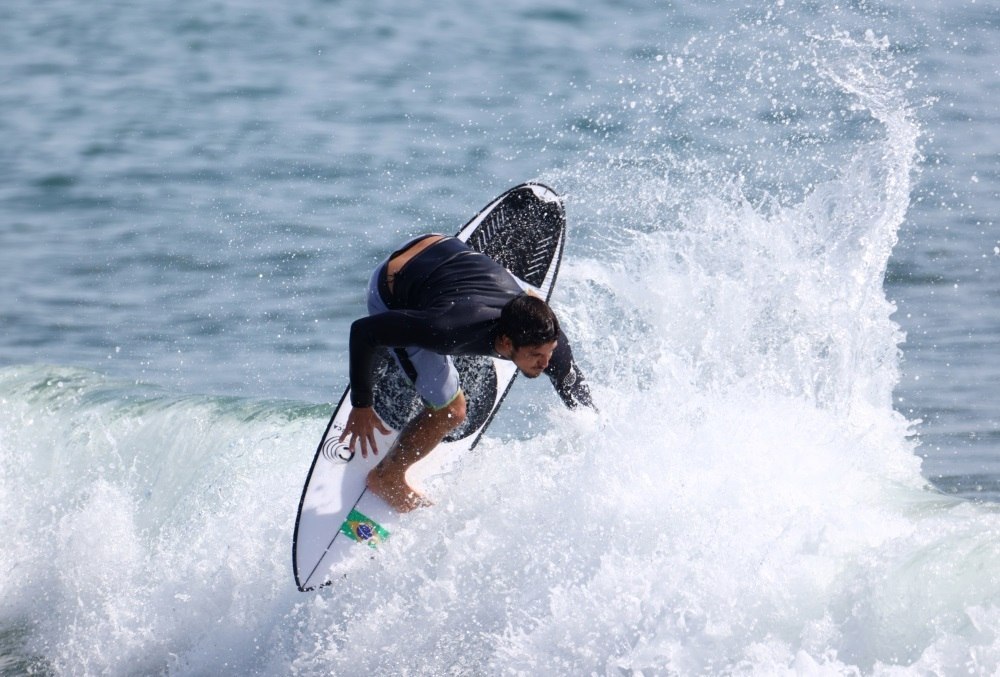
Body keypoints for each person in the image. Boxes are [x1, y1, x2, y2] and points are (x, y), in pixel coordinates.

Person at [339, 233, 594, 512]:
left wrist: (594, 432)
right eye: (535, 355)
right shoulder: (446, 330)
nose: (545, 363)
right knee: (452, 410)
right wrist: (361, 404)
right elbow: (363, 331)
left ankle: (407, 335)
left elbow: (575, 390)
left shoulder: (548, 342)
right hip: (393, 287)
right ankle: (387, 477)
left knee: (530, 297)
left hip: (444, 247)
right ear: (507, 343)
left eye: (548, 352)